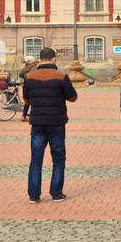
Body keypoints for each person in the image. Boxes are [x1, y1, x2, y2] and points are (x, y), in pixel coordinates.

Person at [21, 47, 78, 203]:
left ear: (39, 60)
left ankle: (34, 195)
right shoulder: (61, 76)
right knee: (58, 158)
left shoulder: (30, 76)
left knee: (36, 159)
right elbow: (73, 97)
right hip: (56, 123)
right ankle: (56, 192)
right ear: (54, 59)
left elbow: (26, 99)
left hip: (38, 123)